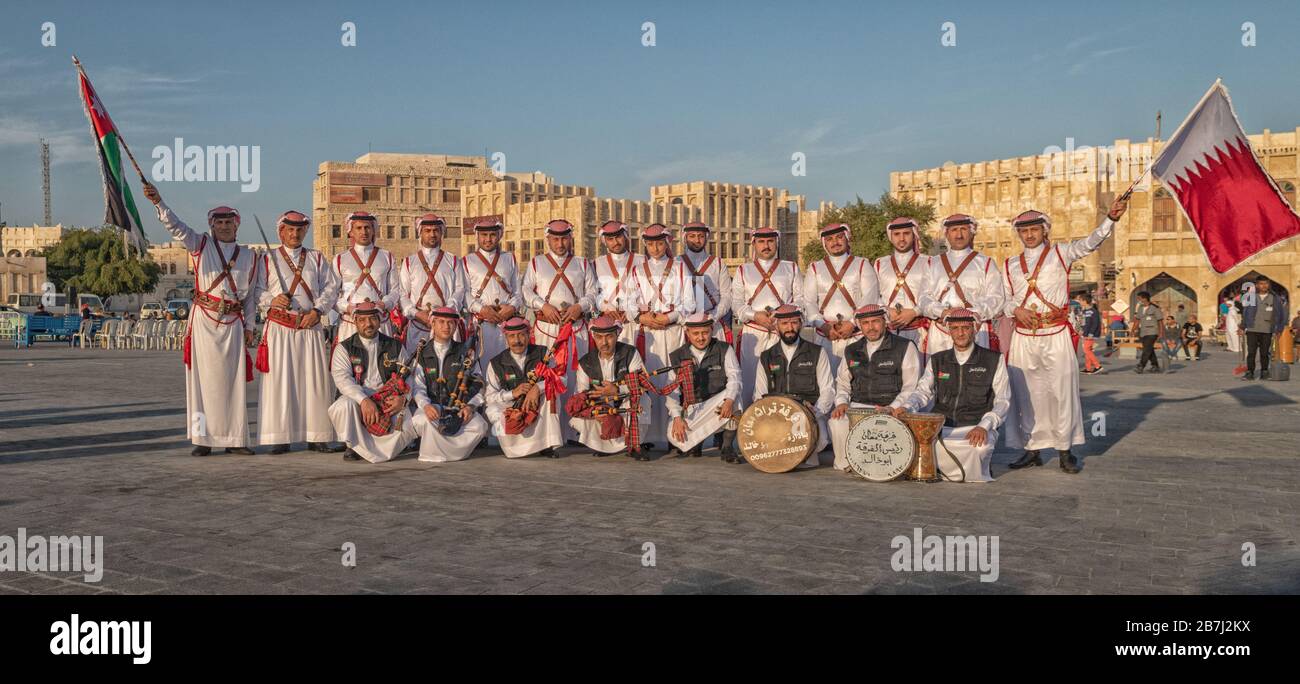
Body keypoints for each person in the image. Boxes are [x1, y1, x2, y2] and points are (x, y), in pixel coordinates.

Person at [1004, 196, 1128, 474]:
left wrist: (1111, 218)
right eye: (1024, 230)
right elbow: (1004, 299)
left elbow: (1091, 242)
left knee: (1062, 391)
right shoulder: (1010, 264)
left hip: (1055, 332)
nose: (1029, 234)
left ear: (1045, 230)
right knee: (1026, 393)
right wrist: (1015, 309)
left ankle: (1064, 450)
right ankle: (1031, 449)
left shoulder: (1061, 253)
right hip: (1024, 335)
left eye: (1034, 229)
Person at [142, 181, 260, 457]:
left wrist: (251, 326)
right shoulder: (200, 244)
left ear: (237, 224)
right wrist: (158, 202)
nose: (224, 226)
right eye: (219, 222)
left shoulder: (250, 256)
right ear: (212, 225)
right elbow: (176, 226)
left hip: (233, 323)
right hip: (205, 320)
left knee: (233, 382)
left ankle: (235, 439)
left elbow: (251, 296)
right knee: (202, 381)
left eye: (228, 221)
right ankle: (203, 439)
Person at [889, 308, 1010, 482]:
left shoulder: (993, 359)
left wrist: (985, 425)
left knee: (979, 449)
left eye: (966, 328)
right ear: (949, 331)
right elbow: (922, 392)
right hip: (942, 427)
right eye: (955, 328)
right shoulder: (938, 359)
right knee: (912, 444)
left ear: (975, 329)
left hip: (975, 427)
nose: (960, 333)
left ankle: (959, 469)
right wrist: (906, 407)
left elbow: (1003, 401)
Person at [257, 210, 343, 454]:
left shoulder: (316, 258)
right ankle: (280, 436)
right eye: (290, 230)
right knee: (280, 382)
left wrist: (318, 310)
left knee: (314, 382)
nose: (295, 234)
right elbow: (256, 291)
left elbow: (331, 286)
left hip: (310, 324)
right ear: (281, 231)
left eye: (300, 229)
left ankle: (317, 436)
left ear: (305, 231)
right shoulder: (267, 258)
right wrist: (272, 299)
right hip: (280, 327)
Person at [522, 219, 598, 440]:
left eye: (564, 238)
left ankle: (576, 431)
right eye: (555, 239)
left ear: (570, 238)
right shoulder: (536, 263)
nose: (560, 243)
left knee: (577, 379)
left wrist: (579, 306)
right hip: (547, 330)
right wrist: (542, 305)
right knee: (548, 378)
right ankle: (550, 433)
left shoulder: (583, 263)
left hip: (575, 330)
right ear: (548, 239)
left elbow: (593, 292)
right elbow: (526, 291)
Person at [828, 304, 922, 471]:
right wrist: (841, 402)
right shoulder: (851, 350)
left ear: (885, 321)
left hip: (891, 408)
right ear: (860, 325)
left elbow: (910, 386)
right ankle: (846, 466)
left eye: (875, 322)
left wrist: (892, 408)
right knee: (837, 422)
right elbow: (842, 383)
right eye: (865, 323)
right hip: (859, 407)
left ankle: (881, 467)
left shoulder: (905, 346)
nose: (871, 327)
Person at [627, 224, 695, 449]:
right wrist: (640, 317)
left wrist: (670, 317)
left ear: (667, 242)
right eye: (651, 243)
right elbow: (628, 303)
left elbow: (690, 303)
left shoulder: (680, 268)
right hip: (649, 336)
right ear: (645, 244)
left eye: (659, 243)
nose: (655, 248)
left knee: (673, 379)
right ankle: (647, 435)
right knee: (648, 380)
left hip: (672, 331)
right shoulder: (637, 270)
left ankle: (674, 434)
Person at [327, 301, 417, 463]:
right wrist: (364, 400)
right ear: (355, 322)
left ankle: (385, 450)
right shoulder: (344, 348)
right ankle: (352, 445)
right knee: (343, 406)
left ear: (380, 320)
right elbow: (342, 379)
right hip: (359, 398)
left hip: (387, 398)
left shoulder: (395, 346)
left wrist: (403, 399)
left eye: (372, 319)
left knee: (408, 421)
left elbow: (409, 376)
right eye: (362, 320)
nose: (368, 324)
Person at [753, 304, 834, 467]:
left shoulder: (817, 352)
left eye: (794, 323)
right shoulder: (766, 356)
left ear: (801, 324)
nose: (790, 328)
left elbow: (828, 390)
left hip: (808, 416)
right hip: (778, 418)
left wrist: (815, 413)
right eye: (784, 323)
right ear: (776, 327)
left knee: (821, 440)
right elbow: (759, 394)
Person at [731, 226, 803, 407]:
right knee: (750, 380)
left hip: (783, 332)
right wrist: (754, 315)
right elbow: (736, 304)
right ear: (754, 244)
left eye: (770, 241)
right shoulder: (743, 270)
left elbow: (802, 300)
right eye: (761, 242)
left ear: (777, 242)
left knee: (783, 380)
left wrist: (782, 316)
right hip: (754, 334)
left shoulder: (791, 267)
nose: (766, 246)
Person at [409, 307, 489, 463]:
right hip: (433, 407)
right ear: (432, 324)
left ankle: (446, 451)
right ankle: (434, 452)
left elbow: (479, 385)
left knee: (480, 426)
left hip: (457, 409)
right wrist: (425, 406)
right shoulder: (422, 353)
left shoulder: (466, 352)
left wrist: (471, 407)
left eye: (451, 323)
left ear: (456, 326)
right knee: (422, 421)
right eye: (441, 322)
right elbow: (417, 387)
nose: (446, 327)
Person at [919, 214, 1006, 355]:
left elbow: (996, 298)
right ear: (946, 233)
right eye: (954, 230)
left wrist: (970, 314)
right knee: (940, 373)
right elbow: (923, 298)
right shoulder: (932, 263)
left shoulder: (986, 263)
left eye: (963, 229)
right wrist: (941, 311)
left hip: (974, 329)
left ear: (971, 232)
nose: (959, 235)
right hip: (941, 331)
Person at [802, 222, 880, 376]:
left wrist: (853, 323)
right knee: (825, 380)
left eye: (839, 237)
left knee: (858, 379)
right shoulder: (815, 268)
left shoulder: (862, 264)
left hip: (856, 334)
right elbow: (809, 302)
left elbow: (870, 297)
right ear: (824, 243)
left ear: (847, 238)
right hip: (825, 335)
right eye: (830, 239)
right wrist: (823, 325)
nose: (835, 242)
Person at [571, 315, 652, 460]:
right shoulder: (586, 362)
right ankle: (603, 445)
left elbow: (642, 383)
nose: (604, 342)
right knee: (578, 408)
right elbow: (580, 392)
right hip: (601, 407)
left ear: (617, 334)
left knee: (642, 399)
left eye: (609, 336)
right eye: (599, 337)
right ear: (593, 337)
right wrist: (595, 409)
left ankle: (634, 444)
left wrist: (618, 390)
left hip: (625, 402)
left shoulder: (630, 353)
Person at [665, 313, 742, 461]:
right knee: (673, 437)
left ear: (711, 330)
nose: (700, 338)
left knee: (735, 395)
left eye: (705, 333)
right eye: (695, 334)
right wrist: (676, 417)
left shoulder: (724, 349)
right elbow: (671, 391)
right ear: (688, 333)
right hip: (693, 409)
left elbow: (735, 377)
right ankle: (696, 445)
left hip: (719, 406)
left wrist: (729, 400)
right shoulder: (678, 355)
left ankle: (727, 446)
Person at [483, 317, 563, 459]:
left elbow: (562, 379)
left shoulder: (543, 354)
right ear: (506, 338)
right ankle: (513, 447)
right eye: (512, 336)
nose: (517, 340)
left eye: (521, 335)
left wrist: (538, 388)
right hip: (512, 408)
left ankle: (547, 445)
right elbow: (489, 397)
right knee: (492, 410)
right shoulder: (496, 363)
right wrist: (512, 393)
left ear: (529, 335)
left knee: (552, 396)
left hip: (535, 404)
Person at [462, 219, 521, 378]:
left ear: (499, 236)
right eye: (484, 235)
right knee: (481, 369)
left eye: (492, 235)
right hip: (481, 324)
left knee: (507, 369)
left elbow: (518, 291)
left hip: (506, 322)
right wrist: (481, 309)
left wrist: (512, 307)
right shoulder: (467, 261)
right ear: (477, 236)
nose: (488, 239)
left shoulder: (510, 258)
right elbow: (464, 293)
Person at [399, 214, 464, 356]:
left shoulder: (453, 260)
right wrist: (416, 313)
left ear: (441, 233)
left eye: (436, 230)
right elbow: (403, 294)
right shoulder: (409, 262)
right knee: (415, 366)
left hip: (446, 325)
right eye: (427, 231)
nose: (432, 234)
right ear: (420, 233)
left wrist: (445, 313)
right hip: (418, 324)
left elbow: (460, 290)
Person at [333, 211, 401, 343]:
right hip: (350, 323)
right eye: (359, 228)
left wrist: (384, 304)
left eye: (367, 227)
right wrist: (348, 308)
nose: (363, 232)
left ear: (373, 230)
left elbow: (396, 290)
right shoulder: (340, 259)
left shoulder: (387, 257)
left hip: (380, 322)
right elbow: (332, 294)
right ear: (350, 232)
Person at [874, 217, 933, 348]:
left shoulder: (929, 262)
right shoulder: (880, 263)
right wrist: (887, 310)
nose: (901, 238)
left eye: (906, 233)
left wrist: (914, 312)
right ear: (891, 237)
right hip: (888, 330)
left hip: (920, 331)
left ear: (914, 235)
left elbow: (933, 295)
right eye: (897, 234)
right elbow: (873, 295)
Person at [677, 221, 733, 346]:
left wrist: (713, 316)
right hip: (685, 327)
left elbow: (727, 296)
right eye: (692, 236)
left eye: (701, 236)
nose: (697, 240)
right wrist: (685, 319)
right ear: (685, 238)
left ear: (706, 238)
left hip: (713, 325)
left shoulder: (718, 263)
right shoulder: (676, 263)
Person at [591, 220, 643, 347]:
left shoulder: (642, 260)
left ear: (625, 236)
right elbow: (593, 293)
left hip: (635, 323)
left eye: (618, 237)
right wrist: (606, 308)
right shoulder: (596, 263)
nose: (615, 242)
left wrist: (632, 310)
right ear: (605, 241)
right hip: (608, 324)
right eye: (610, 239)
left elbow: (647, 293)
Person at [1241, 275, 1286, 380]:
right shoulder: (1251, 297)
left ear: (1269, 285)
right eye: (1261, 284)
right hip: (1252, 329)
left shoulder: (1275, 298)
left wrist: (1279, 329)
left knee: (1265, 353)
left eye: (1266, 283)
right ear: (1257, 285)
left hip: (1267, 329)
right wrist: (1242, 327)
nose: (1264, 286)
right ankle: (1250, 372)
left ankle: (1264, 372)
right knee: (1251, 353)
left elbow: (1282, 314)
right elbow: (1246, 313)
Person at [1132, 291, 1164, 374]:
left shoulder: (1155, 308)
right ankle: (1155, 366)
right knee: (1149, 349)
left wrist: (1161, 333)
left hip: (1152, 332)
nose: (1138, 300)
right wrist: (1132, 330)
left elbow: (1160, 321)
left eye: (1139, 298)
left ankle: (1141, 366)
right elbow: (1137, 320)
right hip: (1143, 332)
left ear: (1145, 298)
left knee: (1146, 349)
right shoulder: (1140, 308)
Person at [1077, 293, 1104, 374]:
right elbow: (1084, 323)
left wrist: (1091, 334)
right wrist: (1081, 330)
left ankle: (1097, 366)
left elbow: (1095, 323)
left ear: (1085, 301)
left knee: (1087, 350)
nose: (1079, 302)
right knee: (1087, 351)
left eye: (1080, 300)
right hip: (1085, 333)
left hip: (1091, 334)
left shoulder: (1093, 311)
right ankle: (1088, 368)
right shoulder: (1084, 311)